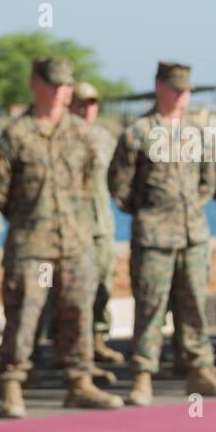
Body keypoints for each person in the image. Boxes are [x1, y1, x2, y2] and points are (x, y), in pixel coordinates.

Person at [0, 57, 124, 416]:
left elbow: (87, 187)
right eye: (52, 84)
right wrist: (32, 220)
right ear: (35, 84)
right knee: (24, 316)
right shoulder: (15, 136)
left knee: (78, 313)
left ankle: (79, 382)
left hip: (74, 243)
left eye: (66, 85)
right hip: (31, 246)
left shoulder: (82, 135)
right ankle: (11, 384)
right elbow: (1, 193)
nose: (59, 92)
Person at [108, 61, 216, 405]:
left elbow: (208, 182)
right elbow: (120, 187)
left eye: (186, 91)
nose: (182, 96)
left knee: (194, 305)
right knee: (150, 307)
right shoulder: (138, 132)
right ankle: (143, 376)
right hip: (153, 237)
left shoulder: (197, 132)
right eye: (176, 89)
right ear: (159, 87)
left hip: (192, 235)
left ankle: (201, 372)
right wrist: (151, 212)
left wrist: (189, 211)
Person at [68, 81, 124, 366]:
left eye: (92, 104)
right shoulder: (63, 137)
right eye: (80, 103)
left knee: (103, 285)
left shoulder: (105, 138)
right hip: (70, 229)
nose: (86, 109)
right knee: (67, 291)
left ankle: (98, 340)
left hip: (101, 225)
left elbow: (121, 178)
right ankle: (62, 346)